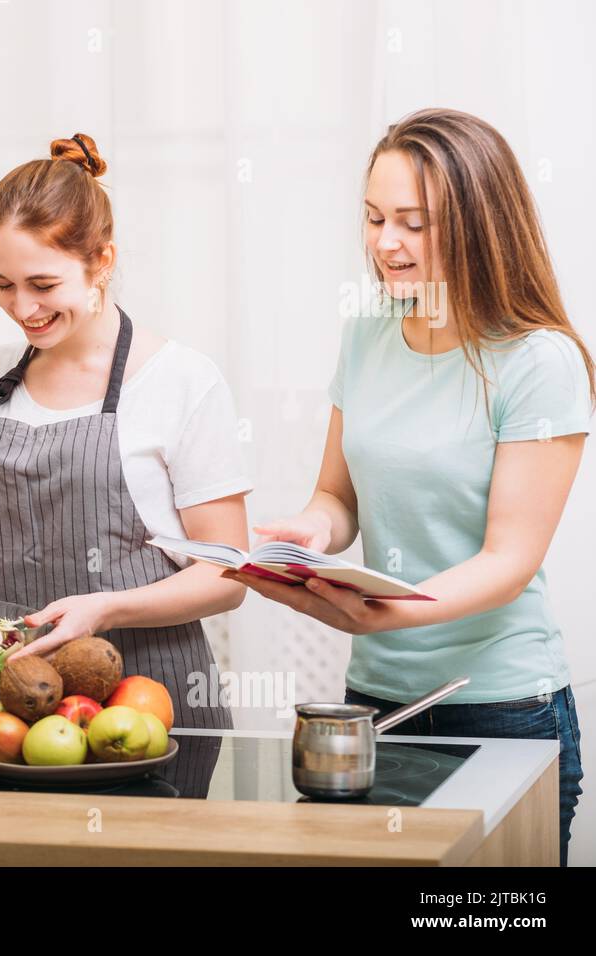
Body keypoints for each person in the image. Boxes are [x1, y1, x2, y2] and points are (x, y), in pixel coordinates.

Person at [226, 109, 592, 864]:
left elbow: (508, 560)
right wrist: (312, 533)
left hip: (499, 710)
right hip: (374, 708)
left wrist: (384, 614)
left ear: (478, 224)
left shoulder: (539, 361)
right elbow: (339, 497)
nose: (385, 243)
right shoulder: (368, 330)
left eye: (412, 223)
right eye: (374, 218)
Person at [0, 134, 251, 728]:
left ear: (101, 261)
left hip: (147, 704)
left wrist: (105, 609)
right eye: (2, 284)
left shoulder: (181, 380)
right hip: (13, 708)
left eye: (43, 285)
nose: (23, 308)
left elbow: (228, 576)